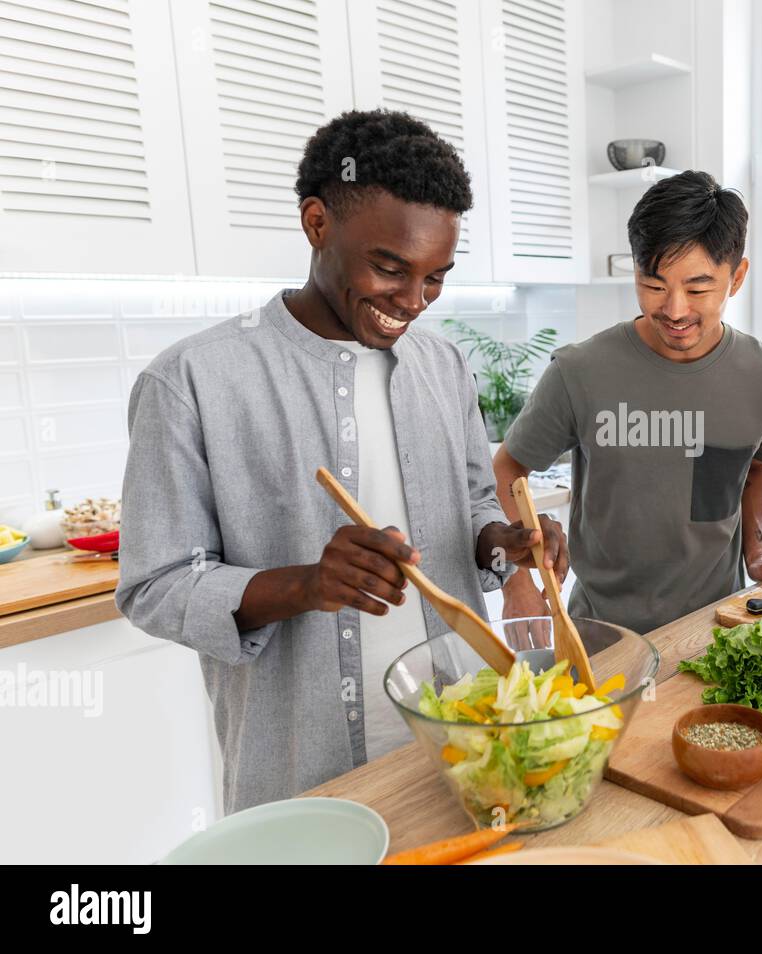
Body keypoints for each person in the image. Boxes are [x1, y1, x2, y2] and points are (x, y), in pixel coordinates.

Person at [115, 110, 566, 812]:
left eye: (436, 278)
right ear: (318, 222)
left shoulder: (442, 364)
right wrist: (306, 585)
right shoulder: (192, 382)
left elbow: (477, 499)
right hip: (302, 775)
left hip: (460, 750)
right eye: (389, 268)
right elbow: (154, 585)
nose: (412, 303)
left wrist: (501, 541)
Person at [493, 171, 762, 637]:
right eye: (653, 284)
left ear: (737, 277)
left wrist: (757, 552)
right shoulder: (579, 370)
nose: (675, 309)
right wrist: (515, 579)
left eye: (698, 288)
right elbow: (506, 470)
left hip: (718, 630)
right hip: (597, 631)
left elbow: (756, 468)